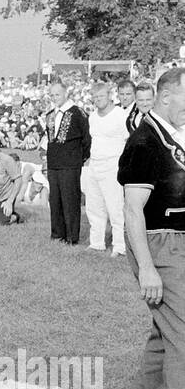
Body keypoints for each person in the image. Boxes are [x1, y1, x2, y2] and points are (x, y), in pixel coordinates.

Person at [117, 66, 185, 389]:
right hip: (158, 243)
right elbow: (132, 211)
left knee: (168, 328)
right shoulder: (144, 142)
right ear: (165, 97)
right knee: (183, 331)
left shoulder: (174, 135)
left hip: (178, 239)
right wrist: (146, 267)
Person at [84, 77, 128, 256]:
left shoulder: (120, 115)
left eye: (101, 96)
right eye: (94, 97)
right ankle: (97, 242)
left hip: (113, 164)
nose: (98, 99)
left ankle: (120, 246)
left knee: (115, 207)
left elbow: (127, 140)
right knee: (94, 206)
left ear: (110, 95)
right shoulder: (93, 117)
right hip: (95, 163)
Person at [44, 77, 90, 245]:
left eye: (57, 94)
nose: (54, 97)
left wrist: (80, 158)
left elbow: (87, 139)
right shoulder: (49, 115)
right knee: (55, 200)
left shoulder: (78, 113)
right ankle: (57, 234)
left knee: (70, 200)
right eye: (52, 95)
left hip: (71, 164)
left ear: (65, 93)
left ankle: (72, 236)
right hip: (54, 163)